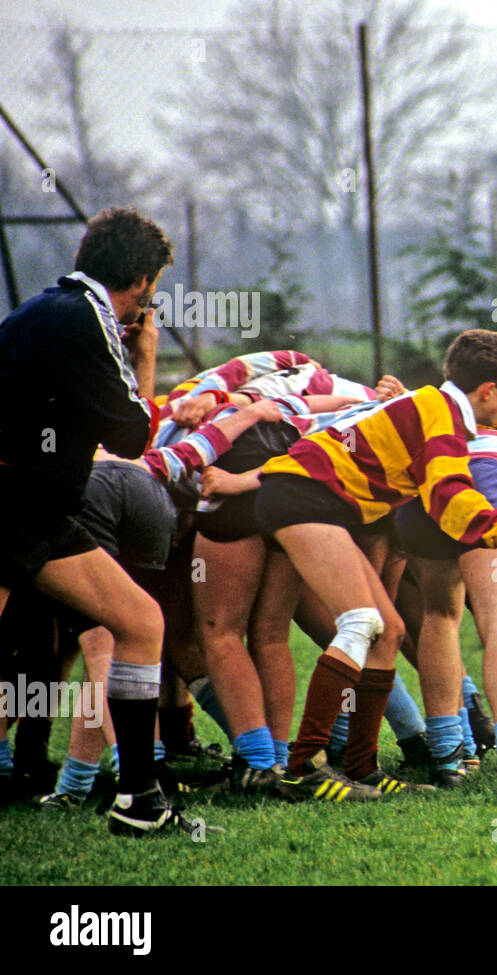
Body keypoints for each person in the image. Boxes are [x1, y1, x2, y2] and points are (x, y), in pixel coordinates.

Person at [253, 329, 497, 797]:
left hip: (311, 496)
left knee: (391, 631)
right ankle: (303, 769)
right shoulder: (440, 419)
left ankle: (362, 768)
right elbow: (448, 493)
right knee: (361, 622)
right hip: (301, 496)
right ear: (487, 389)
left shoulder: (434, 404)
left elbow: (453, 426)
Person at [0, 206, 191, 834]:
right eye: (153, 289)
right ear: (138, 281)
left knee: (139, 622)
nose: (149, 303)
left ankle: (139, 800)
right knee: (138, 624)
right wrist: (146, 357)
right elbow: (134, 435)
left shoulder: (42, 307)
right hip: (17, 507)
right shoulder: (90, 316)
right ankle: (137, 795)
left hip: (37, 511)